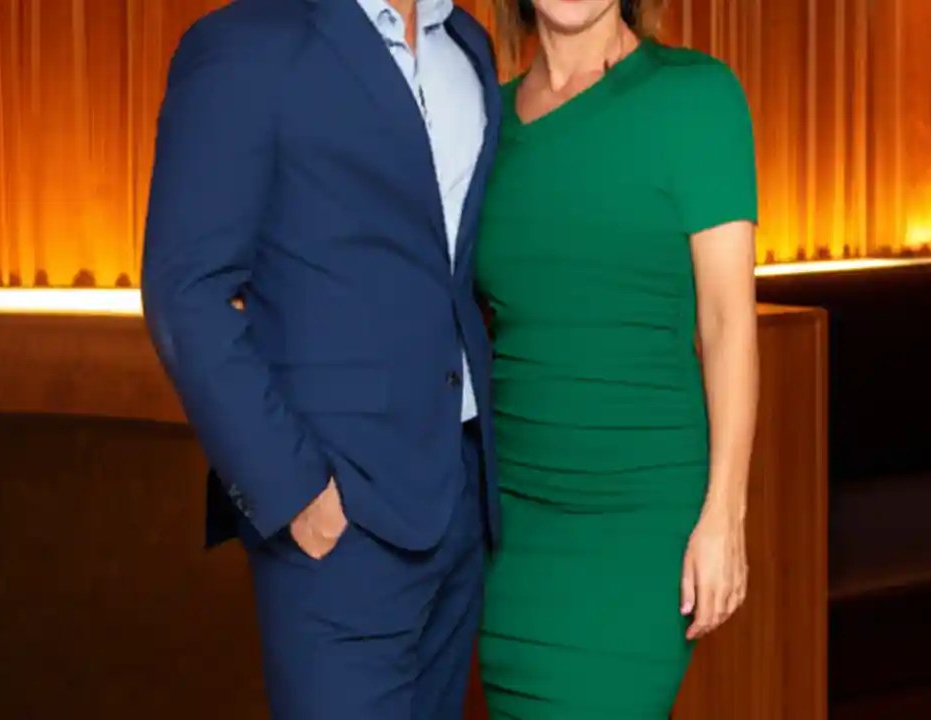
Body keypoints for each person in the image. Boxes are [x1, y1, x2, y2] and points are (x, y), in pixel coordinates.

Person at [139, 0, 501, 717]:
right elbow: (185, 292)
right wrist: (295, 491)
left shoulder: (468, 42)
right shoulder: (246, 45)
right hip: (340, 514)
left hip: (460, 495)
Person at [474, 0, 760, 716]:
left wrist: (725, 515)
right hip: (512, 530)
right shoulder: (483, 122)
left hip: (642, 525)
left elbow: (727, 322)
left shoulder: (695, 98)